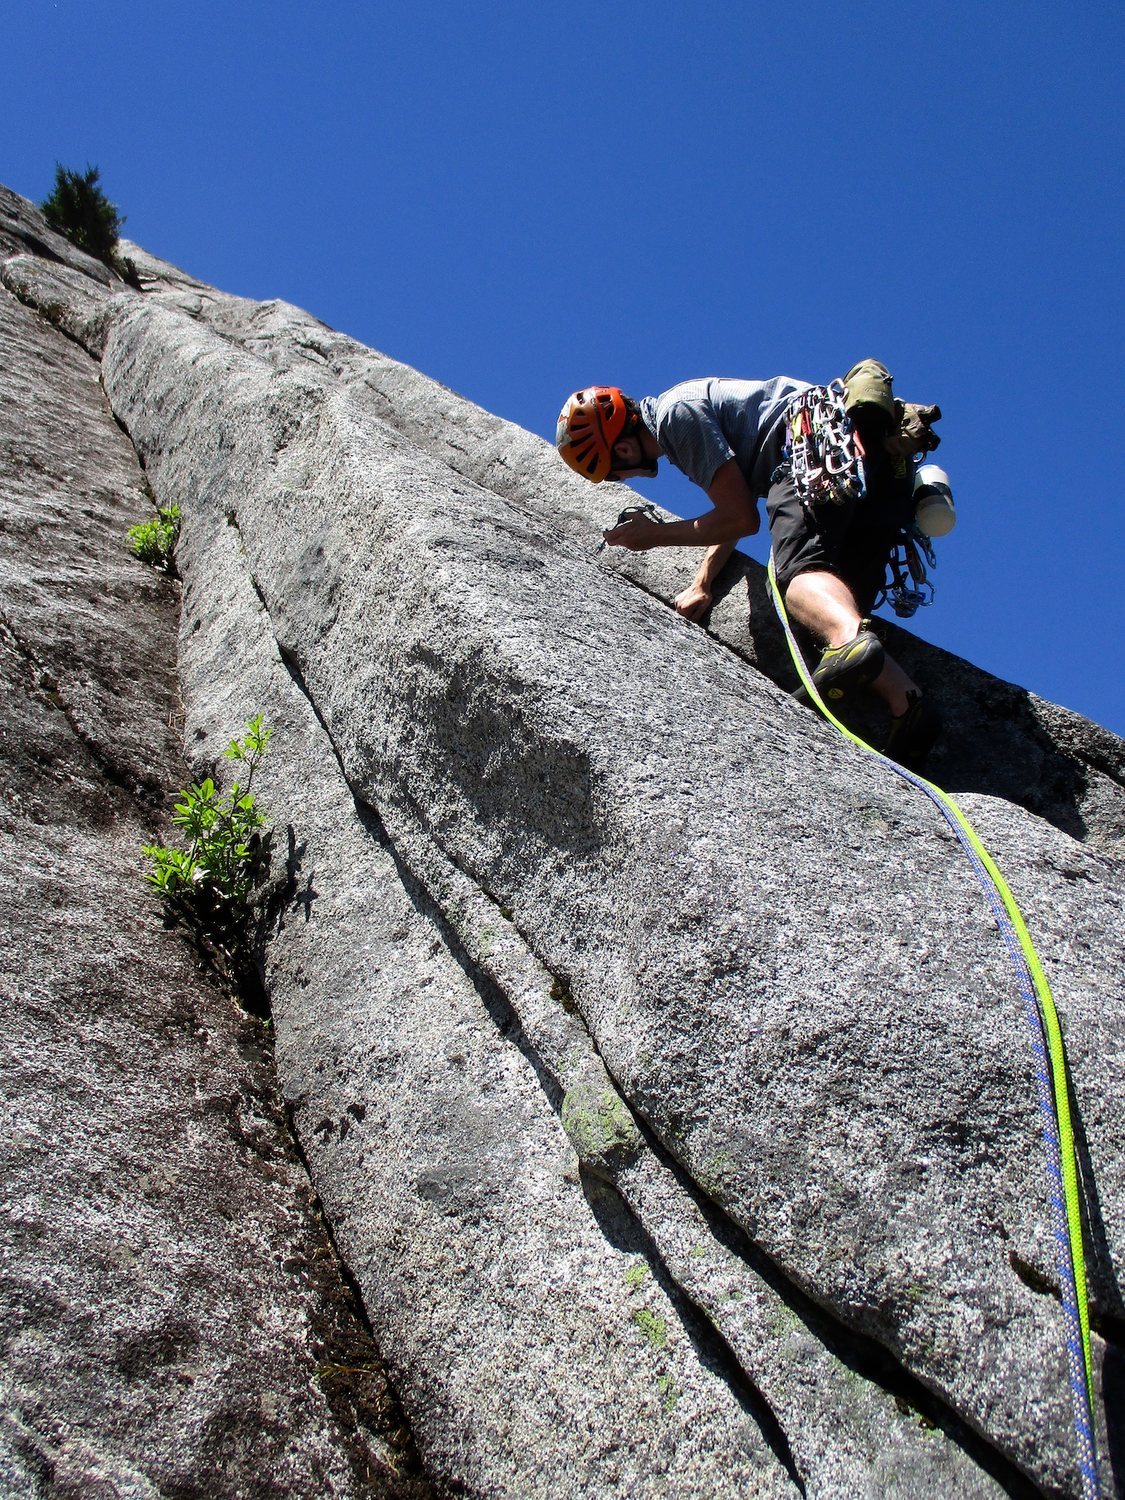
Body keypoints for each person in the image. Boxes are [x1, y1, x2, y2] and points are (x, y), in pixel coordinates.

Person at [554, 373, 943, 767]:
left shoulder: (674, 417)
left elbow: (739, 518)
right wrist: (702, 582)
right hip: (875, 467)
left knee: (797, 578)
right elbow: (736, 504)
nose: (621, 479)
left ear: (621, 449)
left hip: (814, 451)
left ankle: (847, 641)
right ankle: (907, 705)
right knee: (833, 600)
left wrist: (654, 535)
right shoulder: (686, 410)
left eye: (612, 472)